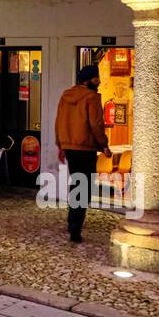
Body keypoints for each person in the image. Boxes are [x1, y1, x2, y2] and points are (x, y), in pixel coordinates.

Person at [54, 63, 111, 243]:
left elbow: (59, 122)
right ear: (88, 80)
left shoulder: (65, 95)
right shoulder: (91, 97)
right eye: (96, 78)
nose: (99, 82)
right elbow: (96, 124)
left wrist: (61, 145)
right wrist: (104, 145)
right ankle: (75, 228)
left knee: (76, 184)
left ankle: (72, 220)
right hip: (85, 148)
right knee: (84, 187)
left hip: (70, 148)